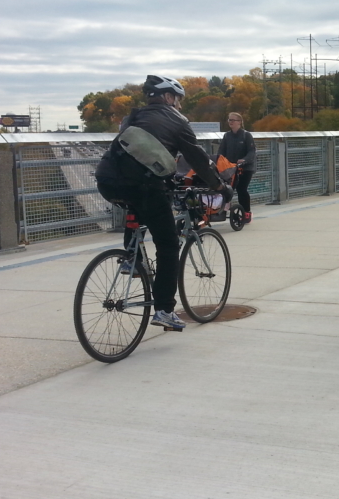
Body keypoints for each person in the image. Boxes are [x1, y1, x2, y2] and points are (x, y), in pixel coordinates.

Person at [95, 75, 231, 331]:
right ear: (168, 97)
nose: (179, 105)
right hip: (143, 185)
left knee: (136, 208)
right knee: (168, 243)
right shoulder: (177, 121)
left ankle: (133, 260)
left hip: (107, 180)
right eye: (177, 99)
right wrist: (219, 186)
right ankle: (164, 310)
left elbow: (138, 156)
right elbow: (197, 159)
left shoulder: (132, 117)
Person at [218, 112, 257, 223]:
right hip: (231, 168)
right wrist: (219, 160)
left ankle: (247, 212)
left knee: (241, 189)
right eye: (229, 120)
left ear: (239, 122)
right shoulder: (227, 136)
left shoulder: (246, 135)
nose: (231, 122)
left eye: (233, 120)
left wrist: (244, 160)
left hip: (245, 168)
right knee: (227, 189)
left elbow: (251, 151)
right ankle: (224, 210)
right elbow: (221, 151)